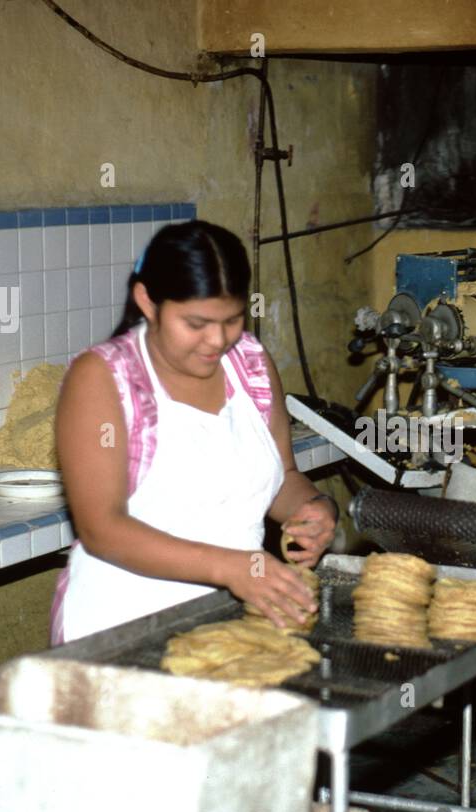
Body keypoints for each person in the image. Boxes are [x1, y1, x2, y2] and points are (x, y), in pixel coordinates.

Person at [50, 220, 337, 645]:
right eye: (196, 323)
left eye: (232, 320)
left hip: (229, 622)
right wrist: (231, 568)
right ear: (147, 301)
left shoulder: (251, 365)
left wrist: (314, 509)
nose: (217, 340)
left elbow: (279, 480)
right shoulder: (103, 378)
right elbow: (101, 529)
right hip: (121, 632)